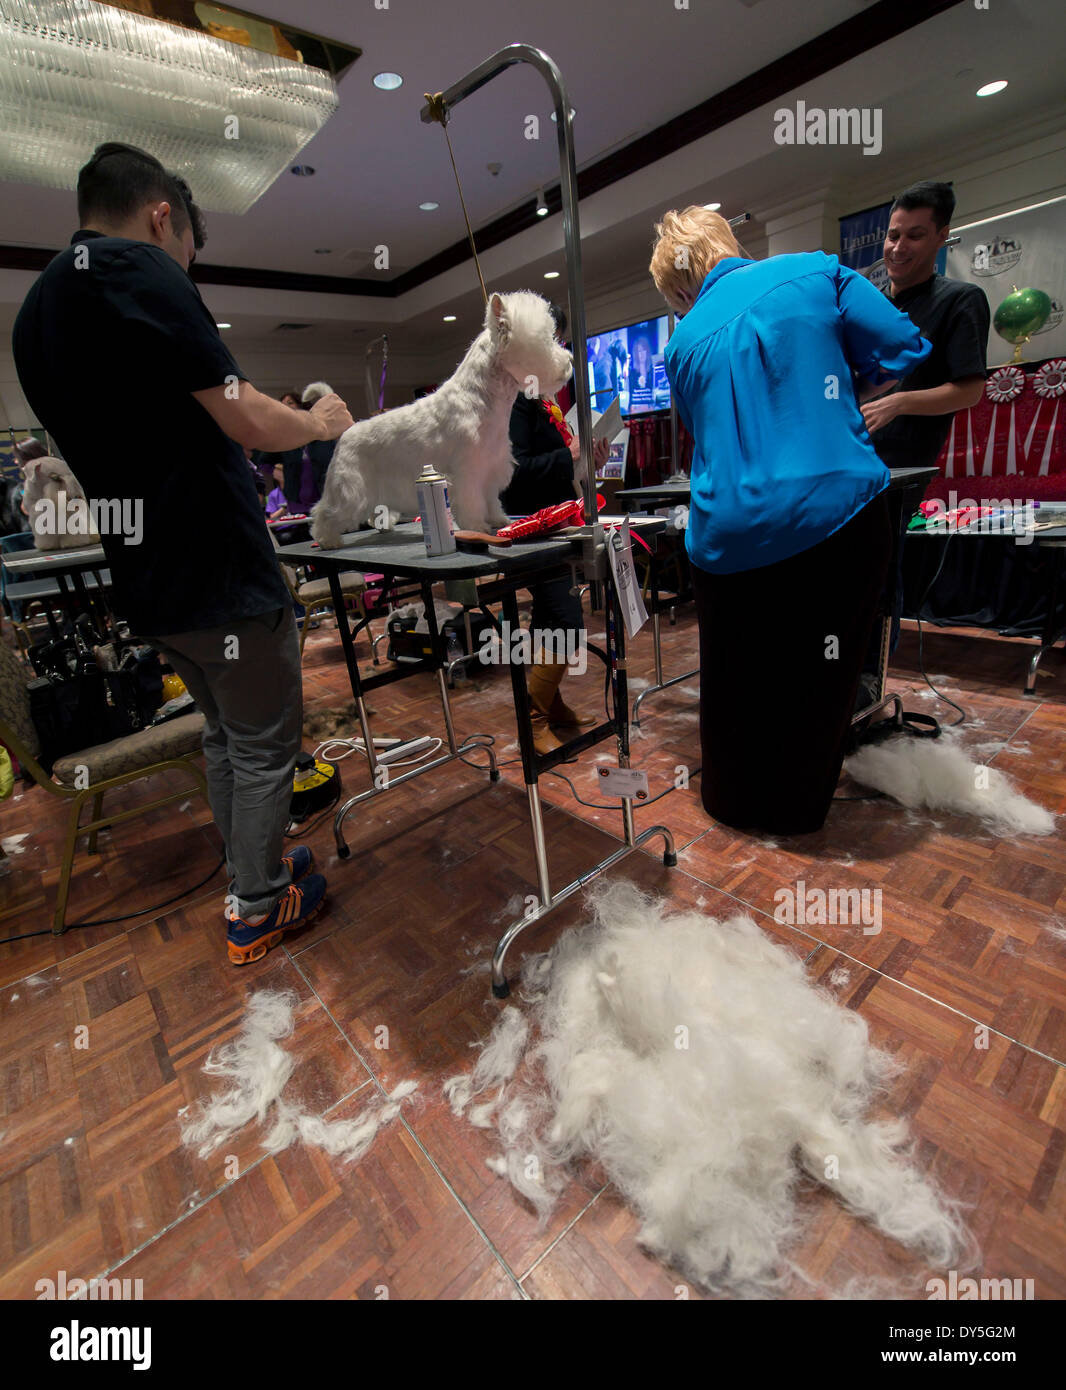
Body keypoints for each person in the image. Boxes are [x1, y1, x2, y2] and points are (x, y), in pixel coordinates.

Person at [12, 141, 354, 962]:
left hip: (151, 585)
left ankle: (250, 873)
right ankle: (259, 906)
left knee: (224, 739)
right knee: (266, 745)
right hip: (218, 569)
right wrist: (318, 424)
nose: (186, 267)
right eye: (188, 251)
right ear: (162, 215)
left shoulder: (35, 314)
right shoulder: (139, 269)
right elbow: (243, 416)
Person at [649, 206, 931, 834]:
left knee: (735, 673)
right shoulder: (817, 273)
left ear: (681, 289)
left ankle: (732, 800)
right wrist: (839, 391)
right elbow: (902, 345)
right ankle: (794, 810)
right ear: (730, 244)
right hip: (831, 515)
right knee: (821, 669)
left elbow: (708, 432)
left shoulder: (684, 341)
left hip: (725, 535)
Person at [857, 180, 990, 705]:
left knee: (877, 568)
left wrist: (898, 403)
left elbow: (971, 390)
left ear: (942, 238)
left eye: (914, 235)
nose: (897, 247)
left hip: (899, 467)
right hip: (846, 457)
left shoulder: (959, 301)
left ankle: (868, 681)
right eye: (891, 235)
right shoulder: (867, 301)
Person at [500, 302, 610, 754]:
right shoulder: (513, 396)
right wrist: (571, 454)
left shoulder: (540, 395)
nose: (558, 350)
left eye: (560, 341)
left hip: (554, 521)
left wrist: (587, 459)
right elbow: (514, 469)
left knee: (551, 619)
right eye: (552, 341)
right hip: (528, 526)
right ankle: (533, 717)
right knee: (566, 621)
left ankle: (552, 706)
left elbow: (557, 463)